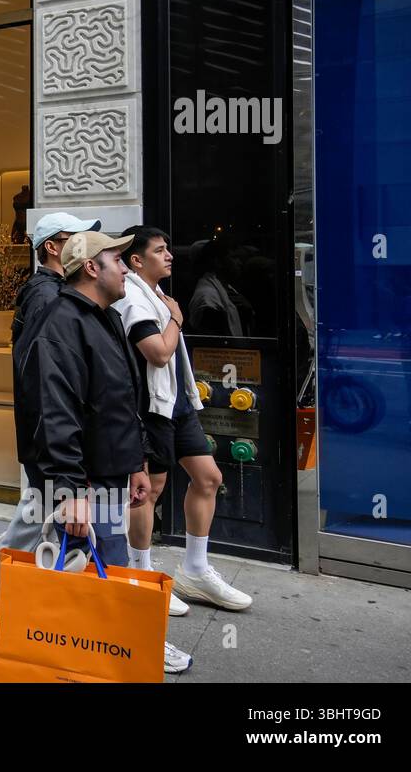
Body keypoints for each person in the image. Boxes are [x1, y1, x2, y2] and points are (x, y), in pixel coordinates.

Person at [12, 230, 190, 674]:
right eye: (116, 258)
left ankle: (100, 646)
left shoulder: (106, 316)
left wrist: (138, 464)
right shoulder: (60, 322)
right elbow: (56, 410)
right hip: (85, 481)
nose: (127, 267)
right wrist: (70, 488)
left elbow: (121, 402)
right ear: (92, 268)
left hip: (111, 471)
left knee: (99, 563)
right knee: (100, 562)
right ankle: (116, 646)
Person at [0, 212, 99, 623]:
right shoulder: (48, 296)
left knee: (36, 509)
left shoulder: (50, 291)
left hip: (44, 430)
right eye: (75, 237)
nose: (85, 243)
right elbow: (47, 374)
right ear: (53, 247)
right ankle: (28, 604)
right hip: (48, 431)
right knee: (52, 511)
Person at [116, 226, 253, 612]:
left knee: (208, 477)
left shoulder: (158, 295)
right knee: (148, 492)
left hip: (178, 404)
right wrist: (176, 319)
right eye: (160, 251)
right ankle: (140, 575)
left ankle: (195, 569)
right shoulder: (132, 299)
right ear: (137, 260)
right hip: (153, 410)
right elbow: (158, 353)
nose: (169, 255)